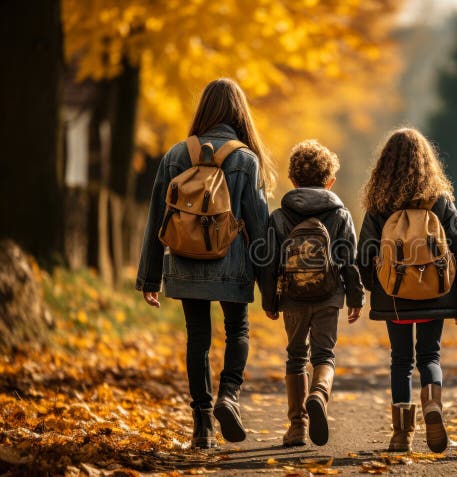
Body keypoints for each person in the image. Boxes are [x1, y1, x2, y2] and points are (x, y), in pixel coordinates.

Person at [137, 78, 275, 449]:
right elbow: (259, 228)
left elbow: (157, 219)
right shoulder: (245, 159)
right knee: (237, 331)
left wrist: (149, 277)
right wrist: (270, 288)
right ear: (239, 113)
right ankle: (228, 396)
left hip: (183, 263)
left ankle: (202, 426)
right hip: (233, 263)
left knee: (197, 339)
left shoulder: (176, 155)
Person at [357, 128, 457, 453]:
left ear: (384, 166)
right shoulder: (440, 202)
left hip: (394, 296)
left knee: (401, 360)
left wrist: (374, 288)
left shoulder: (380, 204)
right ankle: (432, 403)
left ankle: (401, 435)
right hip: (436, 293)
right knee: (430, 355)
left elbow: (365, 253)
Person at [262, 140, 364, 447]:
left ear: (292, 180)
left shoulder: (280, 216)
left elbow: (267, 261)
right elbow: (349, 260)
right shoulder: (340, 214)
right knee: (324, 355)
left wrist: (270, 299)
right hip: (329, 295)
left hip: (292, 296)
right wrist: (356, 298)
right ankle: (319, 393)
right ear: (330, 180)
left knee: (295, 357)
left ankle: (298, 427)